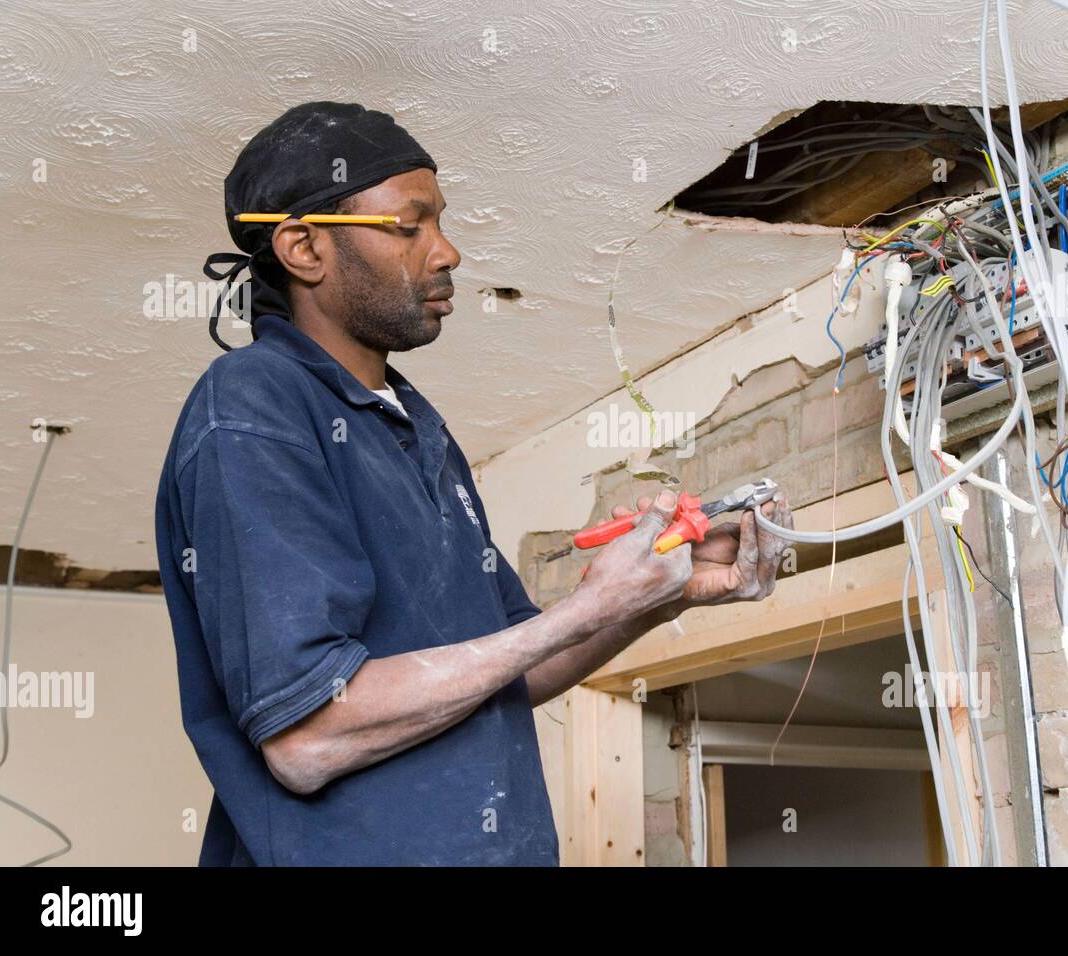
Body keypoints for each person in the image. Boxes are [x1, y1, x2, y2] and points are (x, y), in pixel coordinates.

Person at [154, 102, 792, 865]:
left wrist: (656, 593)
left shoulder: (418, 430)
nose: (447, 251)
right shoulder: (253, 405)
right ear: (302, 247)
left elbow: (516, 669)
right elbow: (308, 735)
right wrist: (586, 606)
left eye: (441, 223)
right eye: (408, 225)